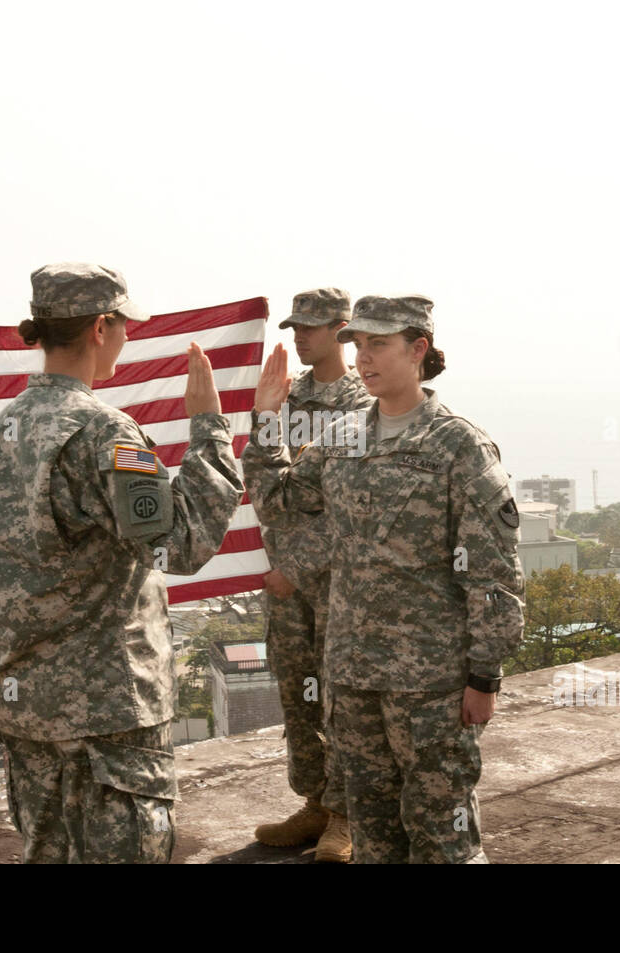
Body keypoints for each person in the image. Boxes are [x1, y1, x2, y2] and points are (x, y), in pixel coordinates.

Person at [0, 262, 244, 864]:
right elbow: (182, 543)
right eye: (123, 326)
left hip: (28, 707)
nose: (127, 339)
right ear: (100, 327)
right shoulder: (102, 433)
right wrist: (209, 429)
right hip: (109, 714)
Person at [243, 295, 525, 864]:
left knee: (440, 835)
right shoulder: (344, 436)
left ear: (418, 348)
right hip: (352, 677)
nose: (364, 357)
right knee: (374, 839)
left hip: (431, 682)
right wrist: (268, 421)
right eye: (359, 345)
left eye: (379, 344)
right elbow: (278, 503)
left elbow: (492, 575)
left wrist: (484, 677)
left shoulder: (458, 445)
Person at [251, 288, 371, 862]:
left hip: (334, 584)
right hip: (284, 583)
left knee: (341, 700)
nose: (300, 336)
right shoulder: (287, 399)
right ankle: (315, 801)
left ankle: (346, 815)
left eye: (313, 327)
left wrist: (297, 569)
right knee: (298, 692)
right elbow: (267, 490)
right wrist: (266, 414)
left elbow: (355, 506)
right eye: (295, 327)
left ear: (342, 331)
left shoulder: (362, 403)